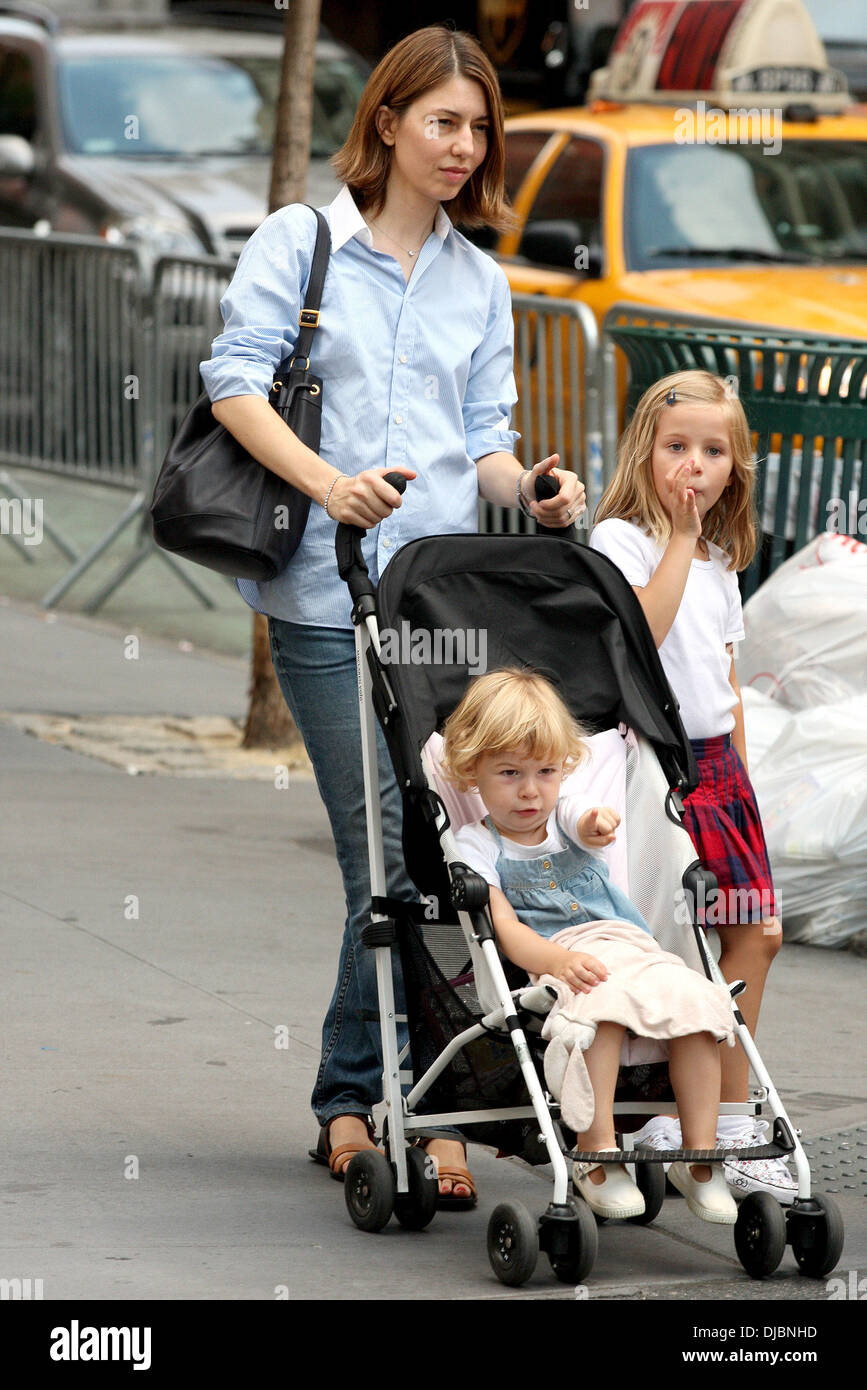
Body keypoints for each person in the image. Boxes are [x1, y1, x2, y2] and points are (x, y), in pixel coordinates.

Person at [199, 26, 585, 1203]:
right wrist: (328, 486)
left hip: (443, 602)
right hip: (324, 591)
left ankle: (372, 1099)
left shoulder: (480, 278)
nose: (465, 147)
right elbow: (231, 383)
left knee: (427, 849)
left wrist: (536, 489)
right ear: (387, 124)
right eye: (444, 123)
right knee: (387, 849)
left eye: (480, 129)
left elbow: (487, 443)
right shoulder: (303, 241)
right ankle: (400, 1104)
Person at [589, 369, 796, 1203]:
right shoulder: (622, 540)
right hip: (654, 764)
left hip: (716, 769)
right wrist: (675, 537)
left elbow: (725, 673)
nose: (694, 466)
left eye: (713, 452)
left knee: (756, 934)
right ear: (646, 453)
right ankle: (702, 1111)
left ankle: (725, 1115)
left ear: (733, 467)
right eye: (677, 447)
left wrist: (744, 776)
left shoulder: (719, 556)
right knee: (684, 941)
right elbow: (642, 631)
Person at [441, 667, 738, 1222]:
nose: (531, 790)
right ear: (470, 772)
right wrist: (557, 960)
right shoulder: (476, 844)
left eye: (545, 771)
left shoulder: (565, 812)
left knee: (697, 1003)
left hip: (632, 944)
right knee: (595, 1013)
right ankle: (596, 1151)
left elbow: (586, 819)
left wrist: (598, 822)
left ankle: (699, 1159)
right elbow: (505, 929)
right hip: (558, 957)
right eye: (509, 773)